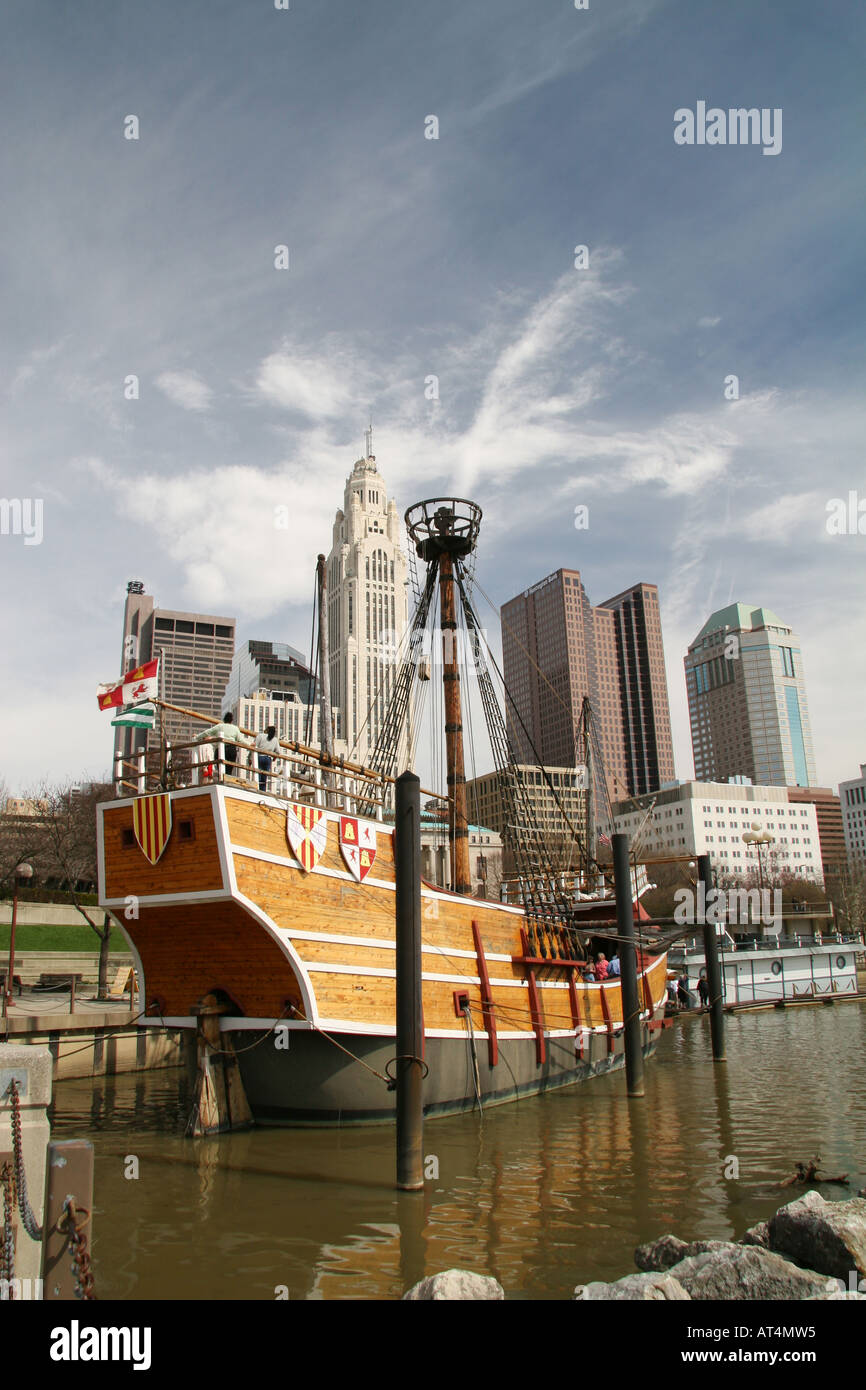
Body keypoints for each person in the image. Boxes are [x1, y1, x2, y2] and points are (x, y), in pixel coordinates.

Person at [195, 712, 250, 781]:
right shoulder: (235, 728)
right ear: (231, 720)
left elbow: (207, 732)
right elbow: (241, 740)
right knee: (229, 770)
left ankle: (221, 780)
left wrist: (197, 737)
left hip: (221, 749)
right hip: (231, 750)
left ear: (224, 719)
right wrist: (250, 745)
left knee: (220, 768)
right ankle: (227, 780)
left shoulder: (220, 726)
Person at [255, 724, 282, 793]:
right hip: (268, 759)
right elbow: (278, 752)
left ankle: (257, 789)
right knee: (264, 777)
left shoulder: (260, 736)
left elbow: (254, 746)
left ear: (267, 730)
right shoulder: (275, 739)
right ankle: (263, 791)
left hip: (259, 757)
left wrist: (250, 758)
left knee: (258, 774)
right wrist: (274, 758)